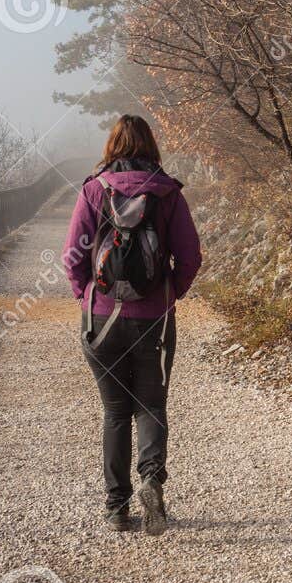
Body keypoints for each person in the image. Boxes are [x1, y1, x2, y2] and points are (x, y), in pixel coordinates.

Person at [63, 115, 202, 534]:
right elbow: (190, 257)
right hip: (153, 322)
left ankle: (116, 507)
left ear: (111, 146)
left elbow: (72, 256)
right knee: (152, 406)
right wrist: (170, 292)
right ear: (151, 146)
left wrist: (88, 296)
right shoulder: (169, 193)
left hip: (101, 321)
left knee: (115, 412)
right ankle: (151, 481)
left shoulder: (93, 190)